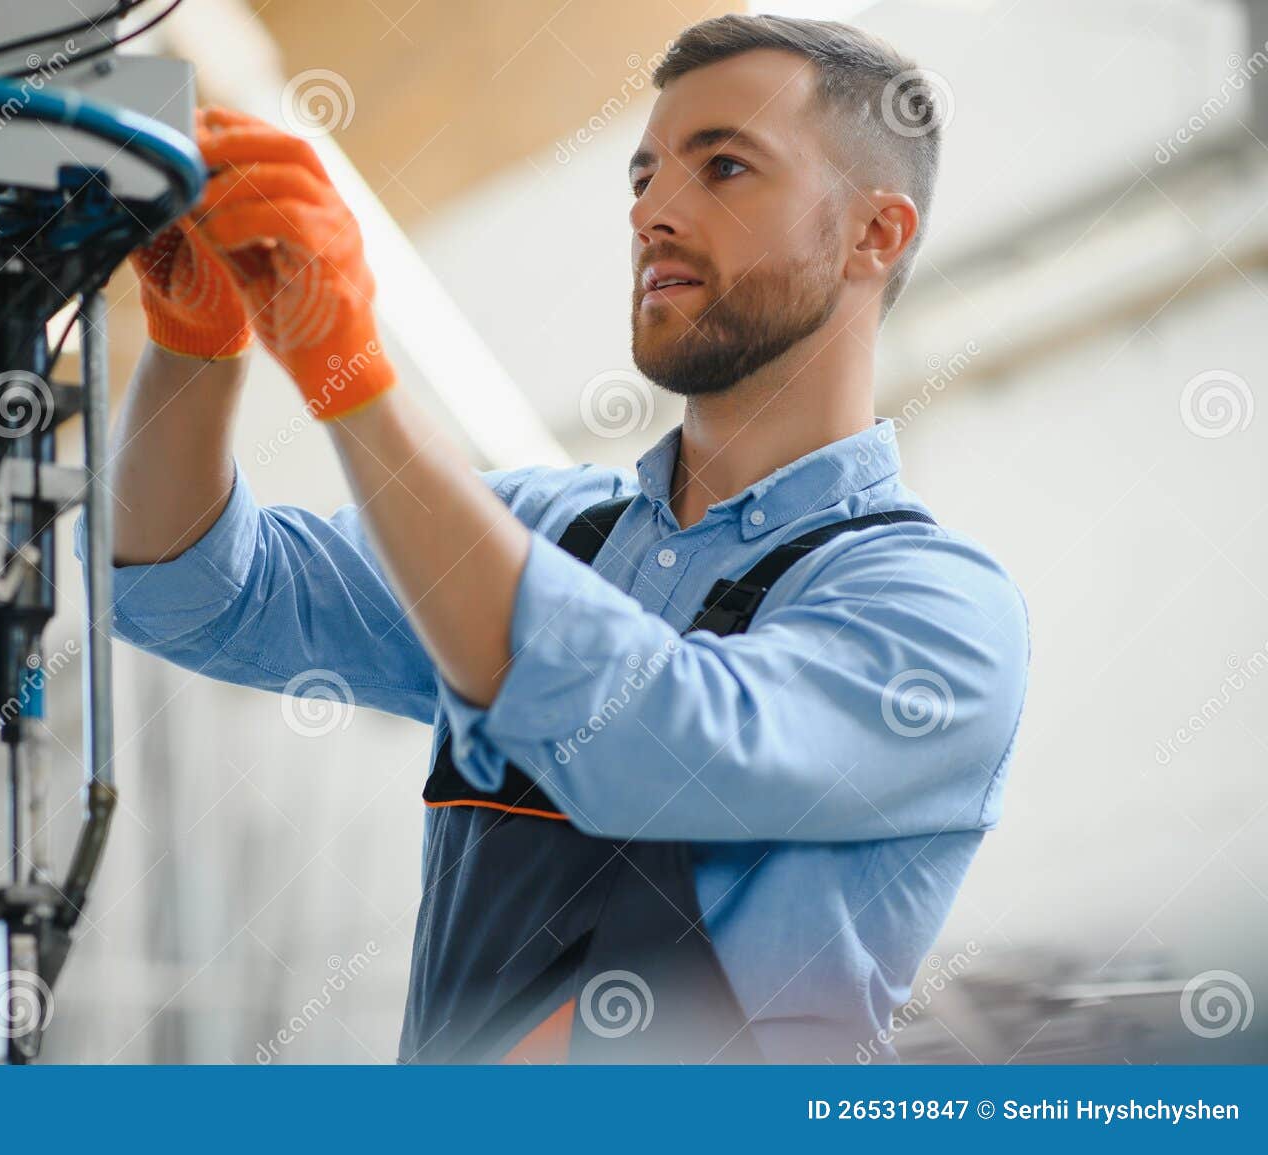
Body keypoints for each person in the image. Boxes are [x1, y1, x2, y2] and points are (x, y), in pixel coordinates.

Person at [76, 12, 1029, 1064]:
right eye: (640, 177)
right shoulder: (541, 531)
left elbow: (651, 747)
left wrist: (350, 376)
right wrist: (194, 348)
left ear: (874, 234)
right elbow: (196, 594)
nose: (653, 214)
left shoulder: (935, 612)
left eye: (722, 167)